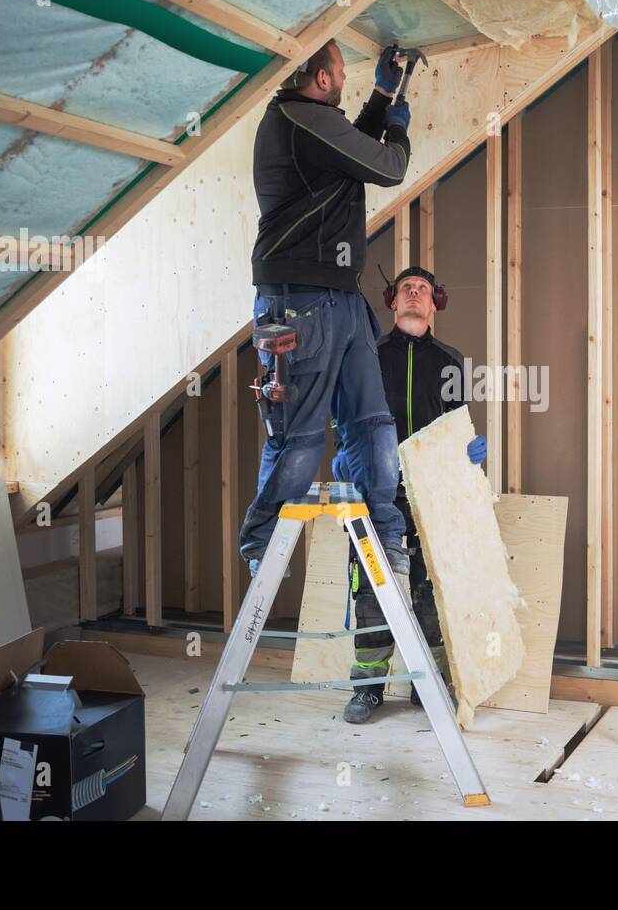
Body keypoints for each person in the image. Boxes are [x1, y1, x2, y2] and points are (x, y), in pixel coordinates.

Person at [239, 41, 414, 588]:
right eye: (341, 73)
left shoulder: (308, 121)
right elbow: (386, 166)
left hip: (338, 298)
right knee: (300, 438)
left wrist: (384, 94)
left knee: (372, 426)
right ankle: (263, 542)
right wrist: (399, 125)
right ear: (319, 79)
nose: (344, 79)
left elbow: (350, 148)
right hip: (296, 302)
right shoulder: (295, 119)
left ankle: (386, 537)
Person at [332, 268, 486, 724]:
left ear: (435, 302)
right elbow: (347, 421)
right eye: (405, 289)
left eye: (422, 289)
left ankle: (428, 682)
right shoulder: (368, 357)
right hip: (377, 496)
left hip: (433, 498)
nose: (414, 294)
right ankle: (368, 687)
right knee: (372, 591)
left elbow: (458, 427)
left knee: (429, 590)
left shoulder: (452, 361)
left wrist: (473, 455)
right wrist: (346, 462)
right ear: (392, 302)